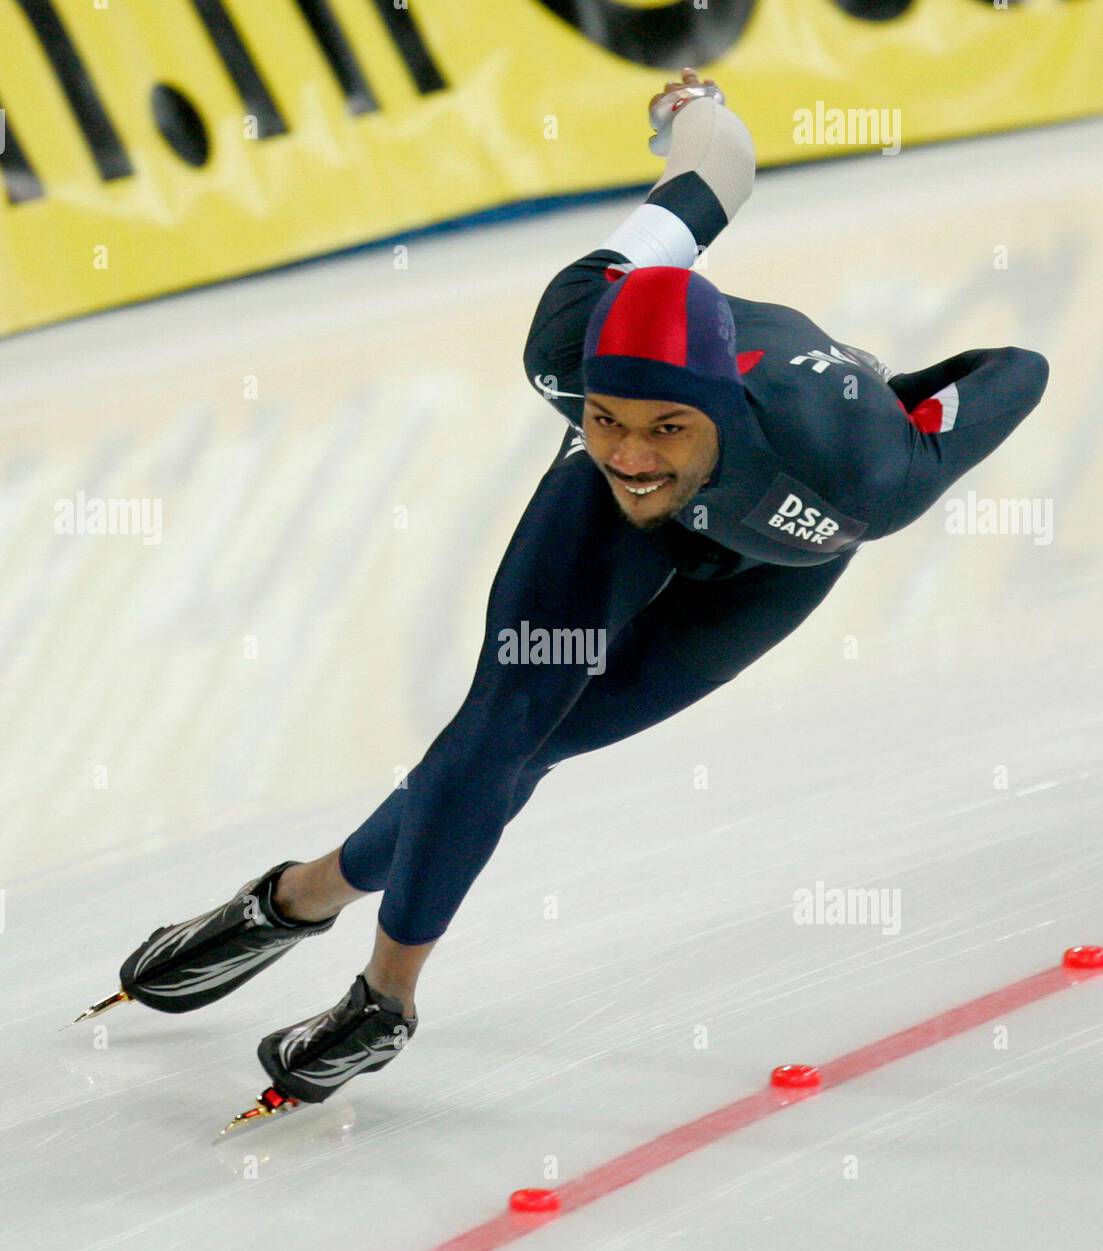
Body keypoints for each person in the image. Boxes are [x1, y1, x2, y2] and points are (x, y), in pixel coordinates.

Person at [76, 70, 1049, 1131]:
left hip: (772, 557)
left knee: (530, 752)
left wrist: (892, 405)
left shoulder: (857, 472)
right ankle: (382, 999)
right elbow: (715, 171)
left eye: (665, 428)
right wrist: (685, 107)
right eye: (605, 415)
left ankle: (298, 896)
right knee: (496, 731)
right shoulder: (566, 333)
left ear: (720, 408)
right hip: (599, 530)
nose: (631, 452)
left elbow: (1018, 363)